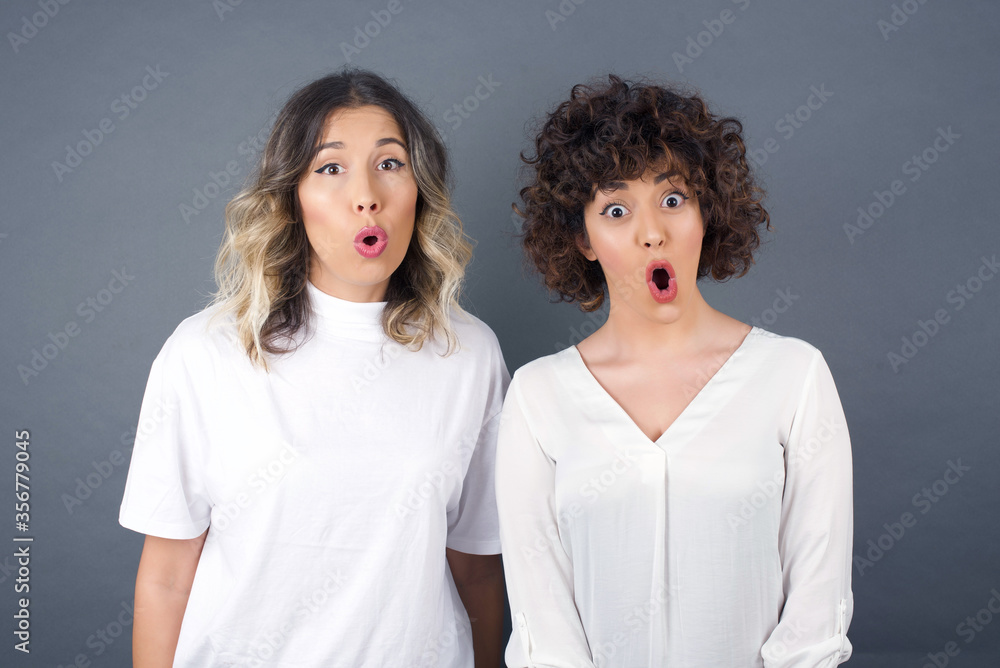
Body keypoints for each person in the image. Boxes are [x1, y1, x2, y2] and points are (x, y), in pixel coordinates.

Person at [119, 68, 508, 667]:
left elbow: (478, 570)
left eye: (390, 163)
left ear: (419, 190)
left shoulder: (470, 354)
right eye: (330, 167)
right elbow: (167, 578)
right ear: (291, 198)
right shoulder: (206, 352)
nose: (366, 196)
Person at [495, 74, 853, 667]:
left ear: (707, 212)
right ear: (582, 238)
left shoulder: (794, 377)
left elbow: (816, 608)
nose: (651, 233)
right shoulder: (537, 398)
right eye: (616, 209)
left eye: (672, 199)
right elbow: (543, 616)